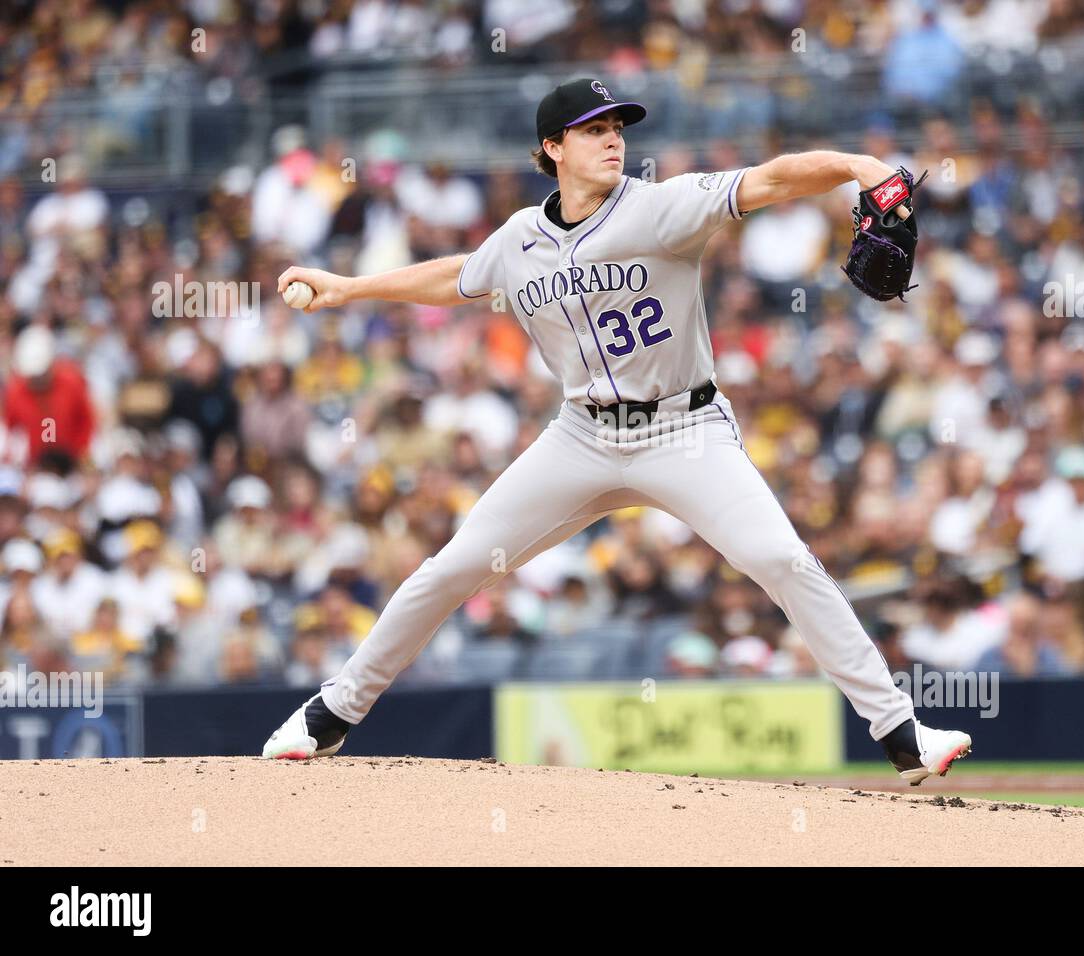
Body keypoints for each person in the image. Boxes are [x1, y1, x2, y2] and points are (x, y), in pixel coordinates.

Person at [263, 77, 972, 785]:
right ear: (552, 147)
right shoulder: (520, 239)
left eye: (618, 129)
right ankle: (332, 716)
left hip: (684, 429)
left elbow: (771, 180)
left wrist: (855, 167)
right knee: (452, 567)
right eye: (593, 130)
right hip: (581, 438)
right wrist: (351, 289)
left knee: (783, 561)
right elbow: (462, 278)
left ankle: (902, 733)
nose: (613, 141)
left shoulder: (661, 208)